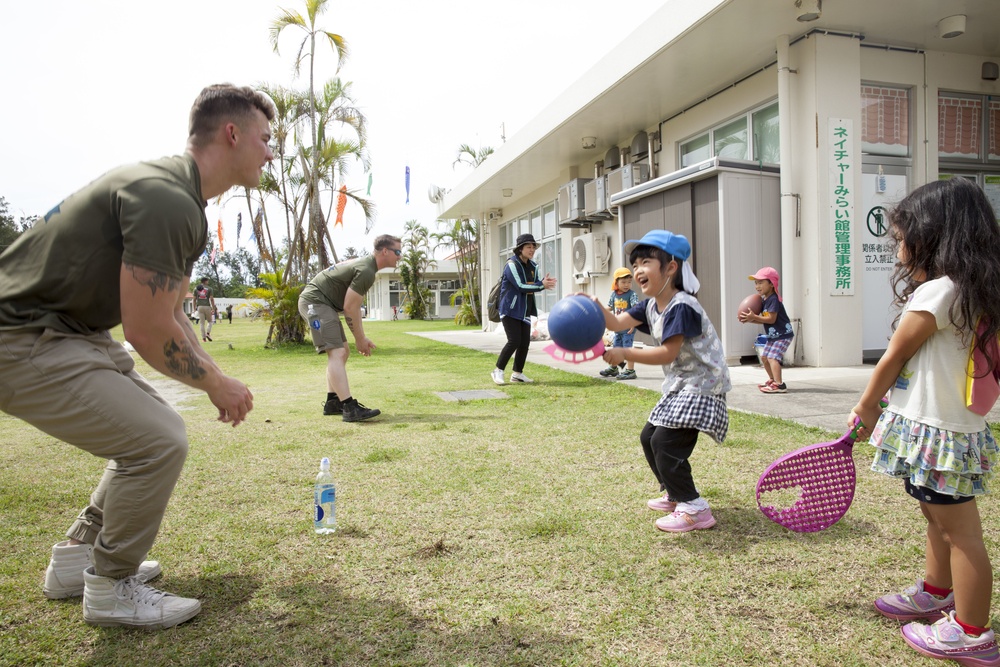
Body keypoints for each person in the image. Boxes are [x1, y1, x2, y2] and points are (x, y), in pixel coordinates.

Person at [0, 83, 270, 628]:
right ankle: (110, 587)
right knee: (158, 441)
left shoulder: (179, 196)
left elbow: (169, 314)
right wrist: (216, 385)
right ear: (232, 133)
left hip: (68, 331)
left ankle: (76, 560)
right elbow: (147, 332)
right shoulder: (169, 199)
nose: (271, 151)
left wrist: (217, 374)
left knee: (153, 431)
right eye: (266, 139)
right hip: (21, 335)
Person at [849, 178, 1000, 666]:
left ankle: (973, 634)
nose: (896, 248)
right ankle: (938, 591)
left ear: (932, 234)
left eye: (900, 236)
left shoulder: (940, 291)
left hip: (941, 433)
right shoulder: (969, 288)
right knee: (937, 519)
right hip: (942, 430)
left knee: (961, 533)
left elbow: (893, 357)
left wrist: (866, 407)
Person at [590, 230, 730, 533]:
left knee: (665, 442)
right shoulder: (651, 305)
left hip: (702, 386)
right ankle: (675, 493)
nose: (638, 270)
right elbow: (615, 322)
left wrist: (625, 352)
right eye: (636, 264)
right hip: (682, 385)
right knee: (648, 437)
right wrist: (592, 305)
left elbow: (668, 353)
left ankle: (695, 508)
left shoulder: (682, 305)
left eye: (646, 262)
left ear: (670, 268)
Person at [298, 235, 402, 422]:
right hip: (316, 302)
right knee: (337, 352)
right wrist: (360, 339)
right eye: (398, 252)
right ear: (385, 251)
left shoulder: (367, 266)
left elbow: (352, 308)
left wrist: (361, 337)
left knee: (342, 352)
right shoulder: (366, 270)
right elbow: (350, 307)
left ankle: (333, 402)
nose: (400, 257)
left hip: (323, 303)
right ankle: (349, 407)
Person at [491, 233, 557, 385]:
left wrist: (541, 283)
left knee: (524, 343)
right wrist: (540, 285)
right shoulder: (511, 265)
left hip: (525, 309)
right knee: (514, 340)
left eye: (534, 247)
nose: (532, 249)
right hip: (510, 309)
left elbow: (531, 287)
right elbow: (521, 286)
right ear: (520, 249)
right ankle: (498, 370)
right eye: (529, 247)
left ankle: (517, 374)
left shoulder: (534, 266)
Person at [738, 267, 793, 393]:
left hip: (783, 334)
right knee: (764, 357)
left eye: (761, 282)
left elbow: (771, 319)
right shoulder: (765, 300)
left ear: (771, 284)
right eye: (756, 283)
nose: (757, 286)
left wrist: (754, 317)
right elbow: (763, 319)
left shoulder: (773, 299)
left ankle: (779, 385)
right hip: (774, 335)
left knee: (773, 357)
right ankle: (773, 379)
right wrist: (750, 319)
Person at [599, 267, 639, 381]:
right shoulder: (614, 295)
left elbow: (636, 309)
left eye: (629, 282)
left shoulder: (632, 295)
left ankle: (631, 371)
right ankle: (613, 368)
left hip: (628, 328)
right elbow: (610, 307)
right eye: (623, 282)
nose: (627, 285)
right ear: (616, 282)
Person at [194, 277, 215, 341]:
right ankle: (208, 333)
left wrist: (194, 308)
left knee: (202, 323)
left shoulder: (196, 289)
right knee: (210, 321)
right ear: (205, 281)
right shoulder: (209, 288)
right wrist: (213, 308)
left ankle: (203, 338)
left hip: (199, 306)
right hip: (207, 306)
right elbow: (211, 299)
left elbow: (194, 299)